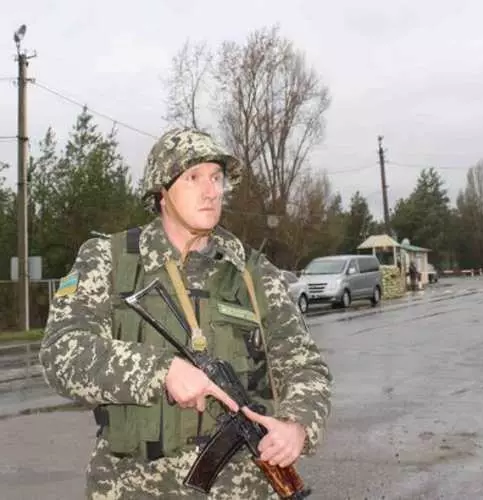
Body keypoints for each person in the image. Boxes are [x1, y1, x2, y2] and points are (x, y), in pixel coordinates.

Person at [39, 128, 332, 499]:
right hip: (133, 489)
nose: (211, 191)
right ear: (162, 192)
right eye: (193, 177)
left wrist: (297, 425)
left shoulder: (255, 273)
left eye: (216, 177)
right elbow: (62, 353)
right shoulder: (109, 260)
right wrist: (161, 371)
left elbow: (306, 366)